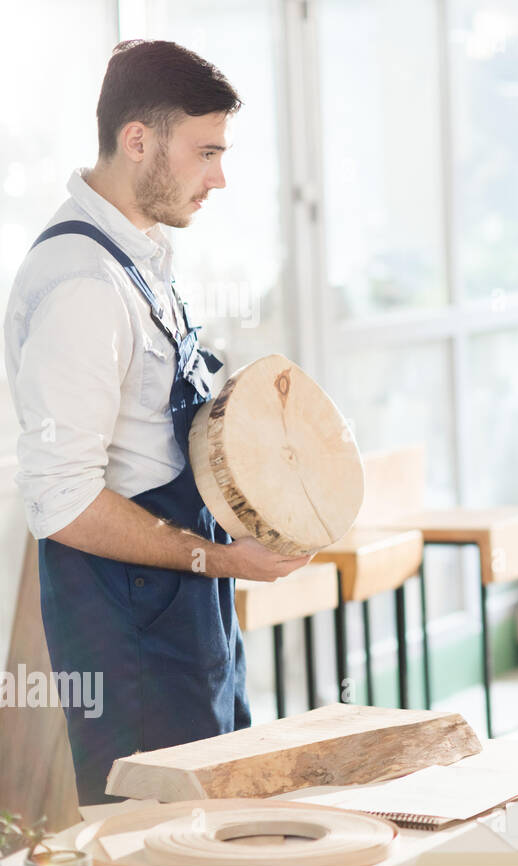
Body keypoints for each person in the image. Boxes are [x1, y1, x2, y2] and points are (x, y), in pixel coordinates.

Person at [3, 40, 311, 805]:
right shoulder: (82, 285)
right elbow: (62, 502)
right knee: (157, 845)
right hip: (127, 626)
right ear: (137, 140)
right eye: (205, 152)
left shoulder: (141, 255)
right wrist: (220, 562)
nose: (220, 177)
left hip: (186, 607)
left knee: (224, 818)